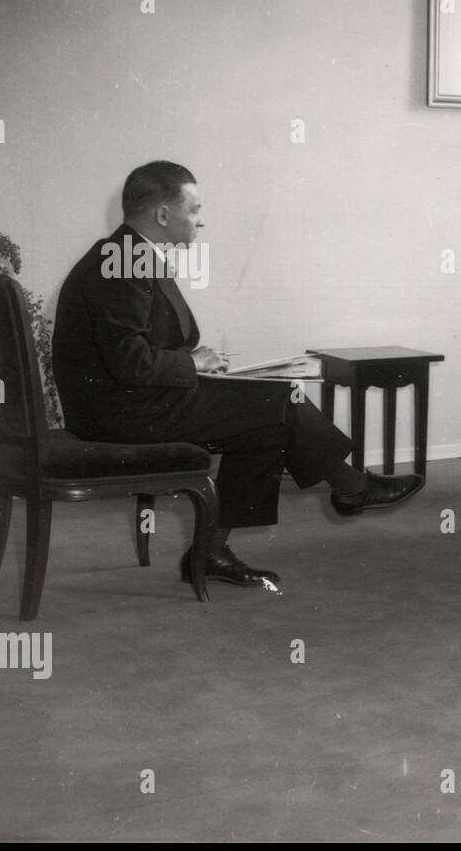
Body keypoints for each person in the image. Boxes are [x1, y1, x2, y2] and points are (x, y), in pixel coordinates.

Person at [53, 162, 424, 590]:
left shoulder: (127, 254)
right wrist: (193, 363)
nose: (200, 219)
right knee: (281, 401)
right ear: (161, 215)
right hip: (121, 411)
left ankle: (211, 551)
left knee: (265, 427)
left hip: (136, 398)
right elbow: (128, 362)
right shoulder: (122, 261)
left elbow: (138, 348)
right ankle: (351, 487)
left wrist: (194, 358)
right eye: (193, 209)